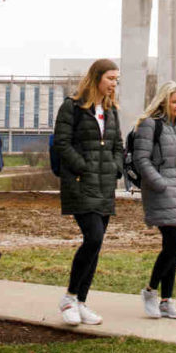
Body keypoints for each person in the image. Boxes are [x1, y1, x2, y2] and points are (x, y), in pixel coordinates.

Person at [53, 58, 123, 326]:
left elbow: (118, 144)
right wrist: (83, 167)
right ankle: (69, 299)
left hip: (105, 186)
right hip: (81, 184)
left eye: (117, 79)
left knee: (97, 244)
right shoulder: (71, 107)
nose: (114, 84)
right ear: (96, 78)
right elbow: (62, 143)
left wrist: (116, 167)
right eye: (110, 79)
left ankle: (81, 302)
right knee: (93, 238)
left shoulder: (112, 110)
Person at [133, 81, 176, 320]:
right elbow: (142, 159)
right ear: (164, 102)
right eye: (174, 101)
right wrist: (160, 183)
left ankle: (166, 301)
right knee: (174, 244)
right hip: (161, 191)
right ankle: (150, 291)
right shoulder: (151, 125)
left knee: (172, 248)